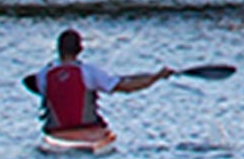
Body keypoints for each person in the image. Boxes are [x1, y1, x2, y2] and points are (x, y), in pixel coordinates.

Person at [36, 26, 173, 134]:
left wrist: (154, 75)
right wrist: (156, 78)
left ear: (58, 48)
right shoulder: (89, 72)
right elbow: (126, 87)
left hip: (55, 131)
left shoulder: (43, 75)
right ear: (80, 49)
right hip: (87, 129)